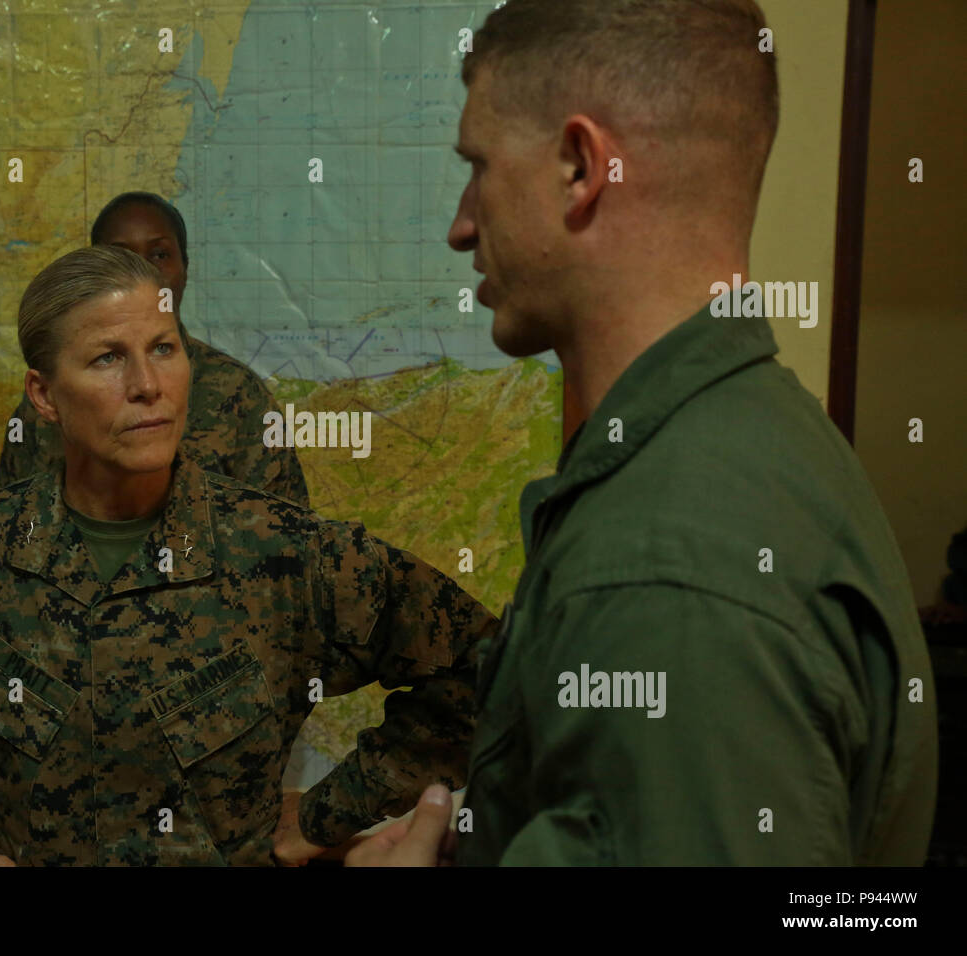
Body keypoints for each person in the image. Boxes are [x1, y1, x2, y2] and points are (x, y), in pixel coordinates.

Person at [348, 0, 937, 866]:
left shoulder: (669, 562)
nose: (462, 223)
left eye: (479, 165)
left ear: (583, 169)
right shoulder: (747, 444)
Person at [0, 246, 494, 866]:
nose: (147, 385)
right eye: (108, 358)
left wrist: (326, 814)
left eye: (164, 348)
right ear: (44, 395)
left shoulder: (285, 556)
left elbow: (483, 672)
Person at [0, 191, 309, 507]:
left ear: (184, 268)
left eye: (159, 254)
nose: (141, 271)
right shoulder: (51, 402)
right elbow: (15, 524)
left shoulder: (239, 393)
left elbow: (285, 533)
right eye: (121, 257)